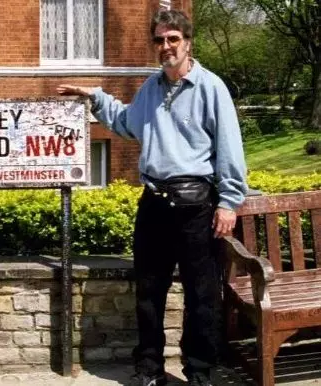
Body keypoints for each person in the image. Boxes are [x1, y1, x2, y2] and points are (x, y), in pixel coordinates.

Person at [57, 9, 248, 386]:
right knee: (148, 292)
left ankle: (200, 372)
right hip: (154, 205)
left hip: (196, 207)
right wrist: (94, 97)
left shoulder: (211, 88)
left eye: (173, 38)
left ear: (188, 42)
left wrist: (228, 202)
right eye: (160, 40)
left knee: (201, 296)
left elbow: (230, 148)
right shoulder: (150, 88)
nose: (166, 46)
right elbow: (127, 122)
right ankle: (148, 369)